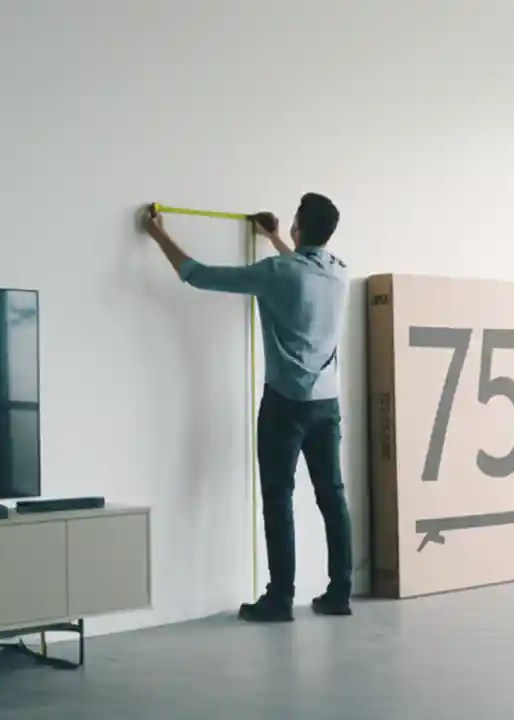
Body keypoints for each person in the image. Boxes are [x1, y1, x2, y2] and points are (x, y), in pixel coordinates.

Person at [141, 193, 354, 622]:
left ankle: (280, 599)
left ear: (299, 227)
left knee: (279, 499)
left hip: (285, 405)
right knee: (331, 496)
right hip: (325, 404)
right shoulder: (339, 273)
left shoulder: (277, 272)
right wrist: (275, 237)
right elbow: (302, 270)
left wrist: (156, 232)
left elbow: (196, 275)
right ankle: (340, 593)